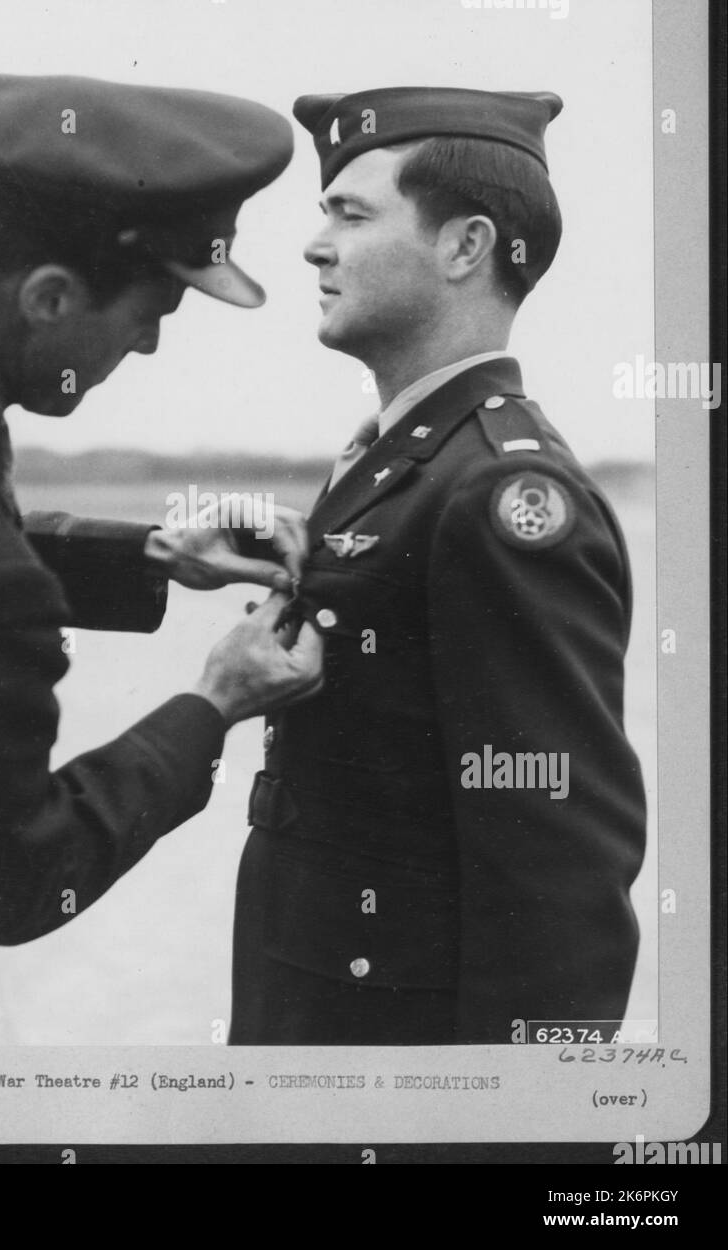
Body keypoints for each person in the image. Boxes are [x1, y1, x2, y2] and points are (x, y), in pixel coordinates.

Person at [0, 73, 323, 1047]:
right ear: (46, 297)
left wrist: (150, 551)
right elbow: (18, 878)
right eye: (150, 308)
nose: (154, 344)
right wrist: (212, 704)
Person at [229, 85, 647, 1046]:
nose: (313, 245)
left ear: (465, 247)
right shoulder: (403, 462)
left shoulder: (498, 497)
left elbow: (559, 872)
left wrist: (520, 1127)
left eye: (350, 213)